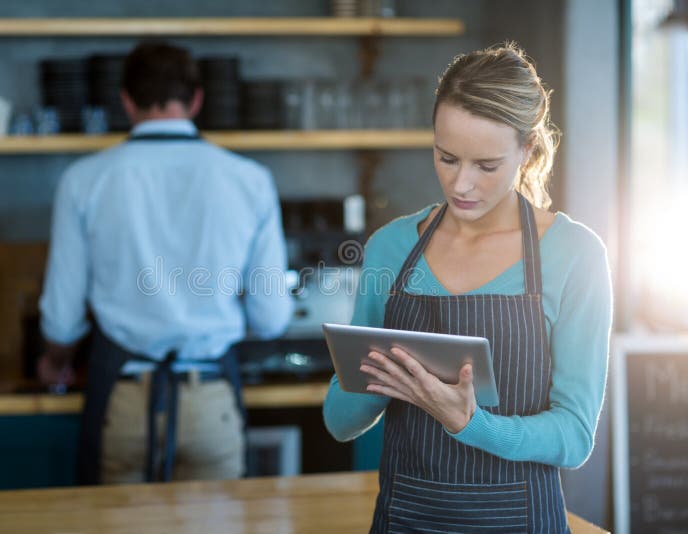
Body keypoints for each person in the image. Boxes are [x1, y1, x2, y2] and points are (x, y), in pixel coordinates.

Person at [323, 44, 612, 533]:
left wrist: (471, 423)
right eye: (447, 157)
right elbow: (339, 420)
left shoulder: (575, 255)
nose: (461, 185)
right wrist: (380, 378)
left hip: (520, 522)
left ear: (526, 151)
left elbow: (575, 435)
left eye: (486, 165)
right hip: (404, 519)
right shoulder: (391, 247)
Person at [37, 41, 293, 485]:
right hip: (211, 402)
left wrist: (55, 360)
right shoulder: (250, 180)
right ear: (196, 100)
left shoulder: (83, 180)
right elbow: (271, 319)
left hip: (120, 402)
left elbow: (61, 320)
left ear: (125, 100)